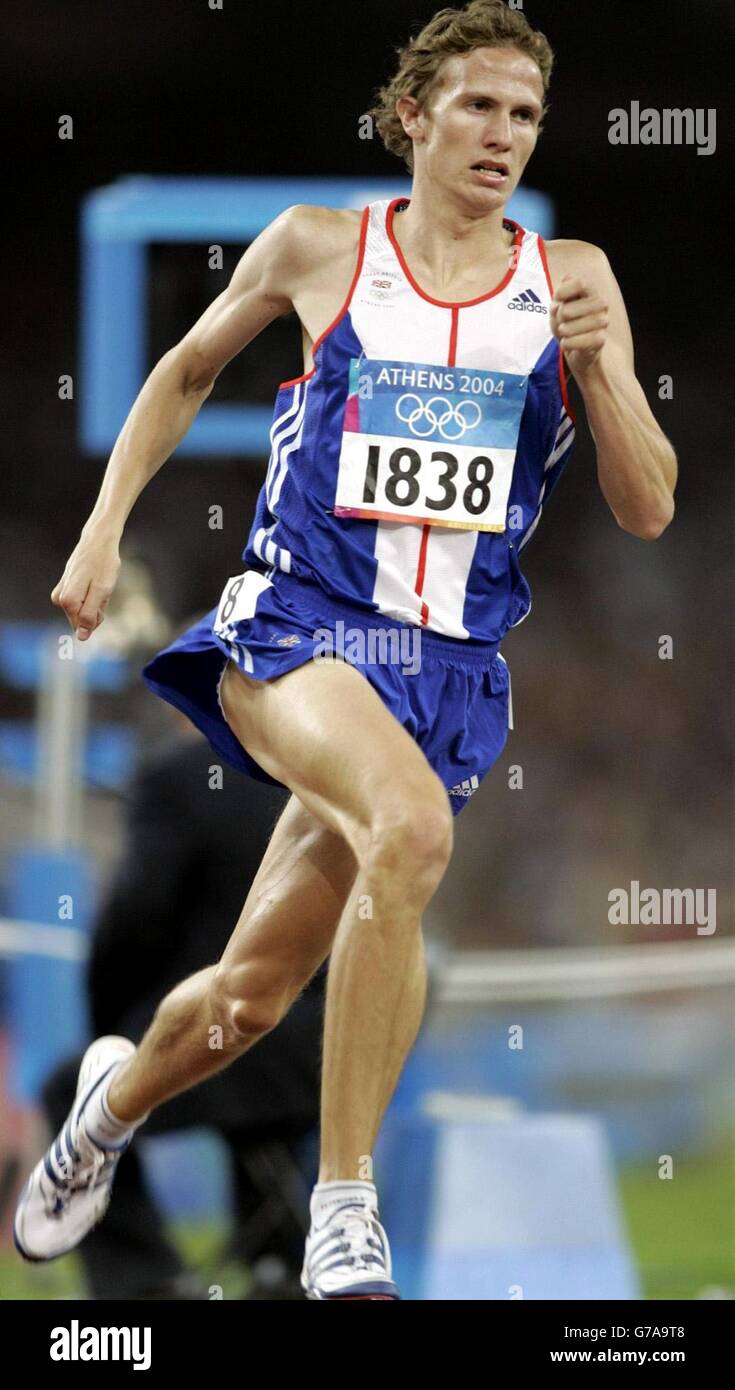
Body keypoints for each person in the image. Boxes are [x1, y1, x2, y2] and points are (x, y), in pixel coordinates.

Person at [15, 1, 676, 1300]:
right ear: (413, 114)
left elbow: (646, 504)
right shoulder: (322, 247)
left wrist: (600, 380)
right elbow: (187, 371)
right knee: (412, 835)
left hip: (446, 673)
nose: (500, 133)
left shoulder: (570, 278)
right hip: (299, 626)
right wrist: (102, 533)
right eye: (477, 104)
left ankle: (102, 1110)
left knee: (250, 1001)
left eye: (524, 113)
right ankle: (343, 1211)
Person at [40, 712, 324, 1300]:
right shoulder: (320, 769)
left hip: (229, 1038)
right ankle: (283, 1270)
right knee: (259, 1136)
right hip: (323, 1047)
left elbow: (137, 916)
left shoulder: (180, 775)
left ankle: (145, 1287)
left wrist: (109, 1022)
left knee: (73, 1091)